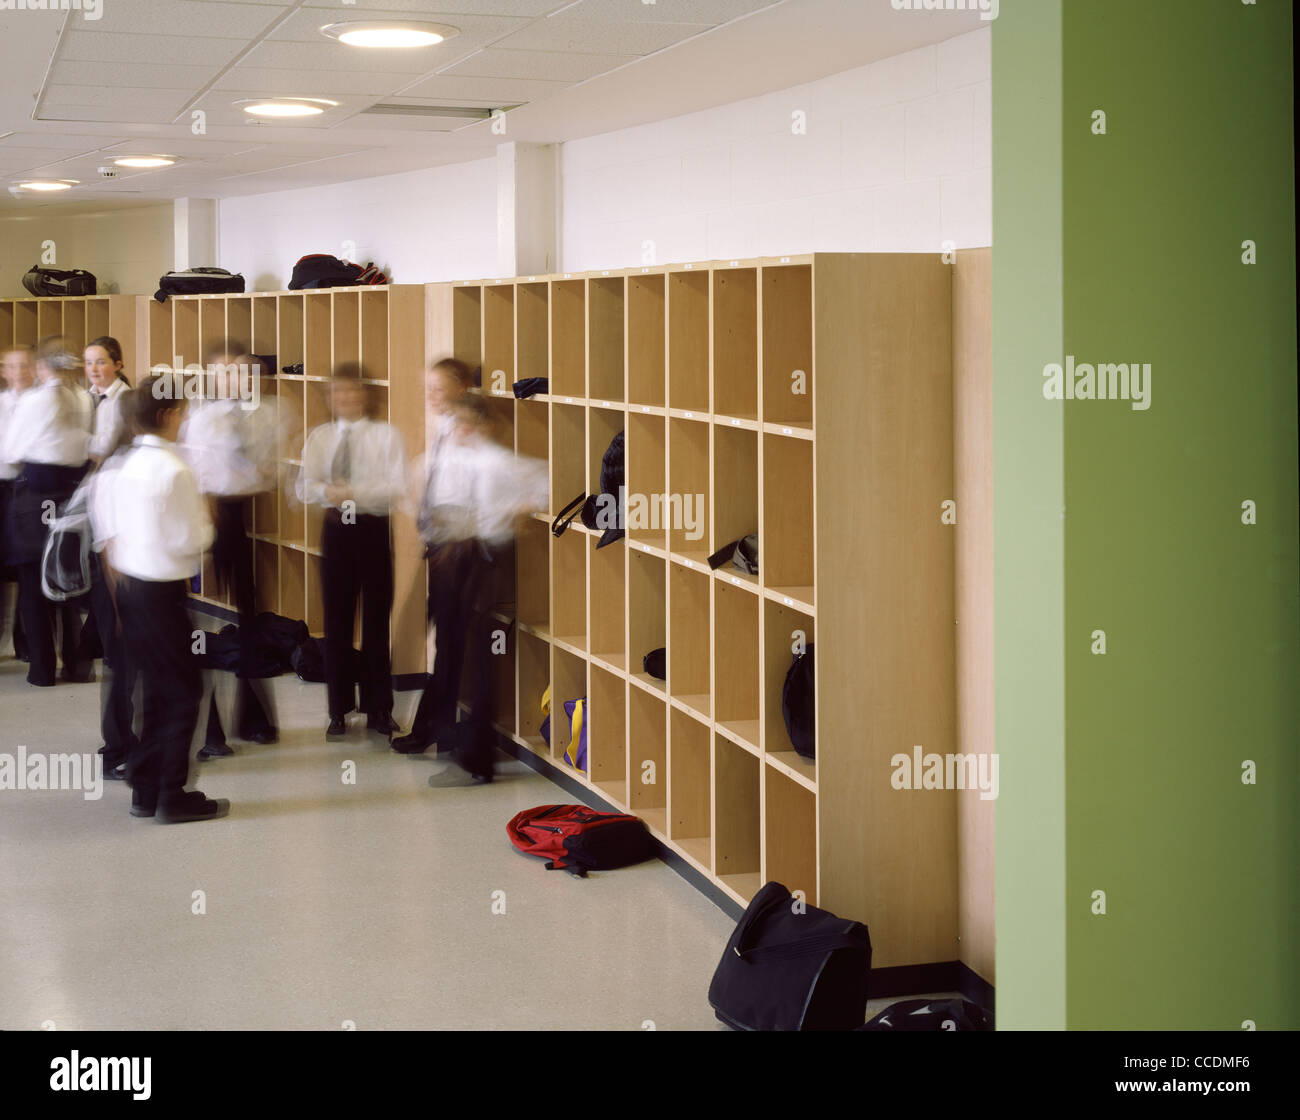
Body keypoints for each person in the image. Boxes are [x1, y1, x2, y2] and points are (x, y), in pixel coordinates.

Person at [93, 376, 226, 823]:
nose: (185, 419)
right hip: (163, 594)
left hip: (132, 590)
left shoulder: (125, 464)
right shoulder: (174, 469)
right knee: (184, 691)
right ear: (168, 415)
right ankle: (173, 793)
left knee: (155, 691)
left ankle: (145, 788)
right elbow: (191, 540)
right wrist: (208, 520)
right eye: (183, 412)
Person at [397, 393, 547, 782]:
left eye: (467, 424)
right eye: (457, 424)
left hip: (478, 562)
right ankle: (450, 741)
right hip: (450, 561)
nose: (460, 431)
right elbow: (422, 487)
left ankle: (478, 761)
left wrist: (513, 512)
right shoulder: (452, 459)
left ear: (484, 426)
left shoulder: (496, 461)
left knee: (479, 659)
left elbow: (544, 483)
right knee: (451, 651)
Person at [180, 341, 279, 754]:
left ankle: (253, 718)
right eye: (224, 372)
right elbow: (192, 471)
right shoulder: (201, 418)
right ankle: (210, 728)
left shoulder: (260, 415)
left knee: (250, 616)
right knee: (197, 622)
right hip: (208, 514)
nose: (233, 379)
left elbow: (266, 469)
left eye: (239, 371)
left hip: (241, 514)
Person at [298, 362, 406, 739]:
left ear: (365, 394)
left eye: (352, 390)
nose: (344, 398)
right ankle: (337, 711)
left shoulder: (386, 435)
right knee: (338, 623)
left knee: (376, 622)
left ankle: (379, 710)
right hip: (336, 531)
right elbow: (303, 487)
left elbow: (396, 485)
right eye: (337, 392)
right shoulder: (320, 437)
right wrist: (328, 492)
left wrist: (353, 492)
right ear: (329, 398)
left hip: (372, 530)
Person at [392, 357, 473, 755]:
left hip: (461, 550)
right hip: (439, 545)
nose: (431, 397)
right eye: (427, 389)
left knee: (449, 646)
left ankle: (432, 729)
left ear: (460, 388)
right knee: (442, 642)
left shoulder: (469, 431)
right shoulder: (443, 427)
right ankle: (434, 728)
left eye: (438, 389)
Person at [0, 346, 93, 687]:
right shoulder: (82, 397)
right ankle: (75, 664)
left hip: (35, 491)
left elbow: (10, 451)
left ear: (41, 367)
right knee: (64, 577)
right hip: (69, 492)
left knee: (31, 585)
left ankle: (41, 669)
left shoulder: (36, 401)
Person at [0, 346, 35, 661]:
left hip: (29, 488)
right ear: (4, 371)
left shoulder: (40, 404)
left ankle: (25, 640)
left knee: (26, 566)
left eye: (26, 365)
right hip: (2, 486)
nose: (20, 372)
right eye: (13, 366)